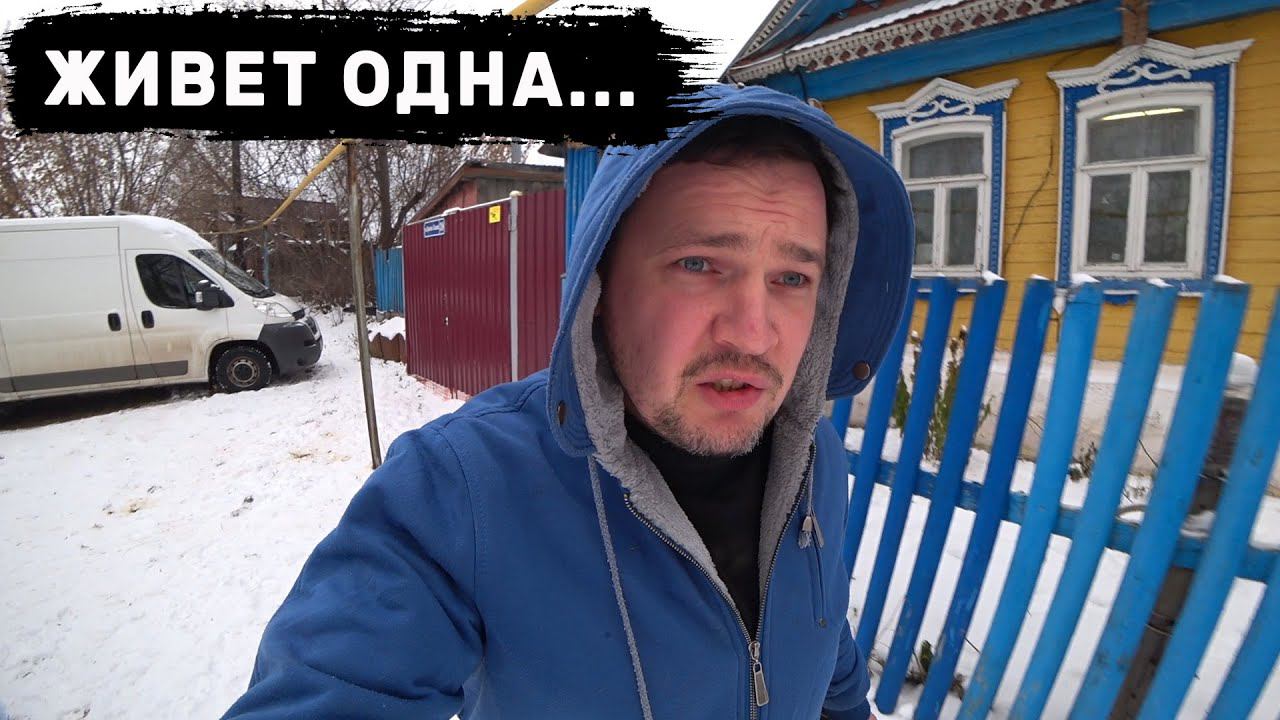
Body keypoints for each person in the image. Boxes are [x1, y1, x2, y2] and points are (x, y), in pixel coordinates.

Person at [222, 83, 913, 720]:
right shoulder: (461, 491)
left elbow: (822, 639)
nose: (754, 332)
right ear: (599, 284)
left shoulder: (812, 458)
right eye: (699, 265)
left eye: (792, 278)